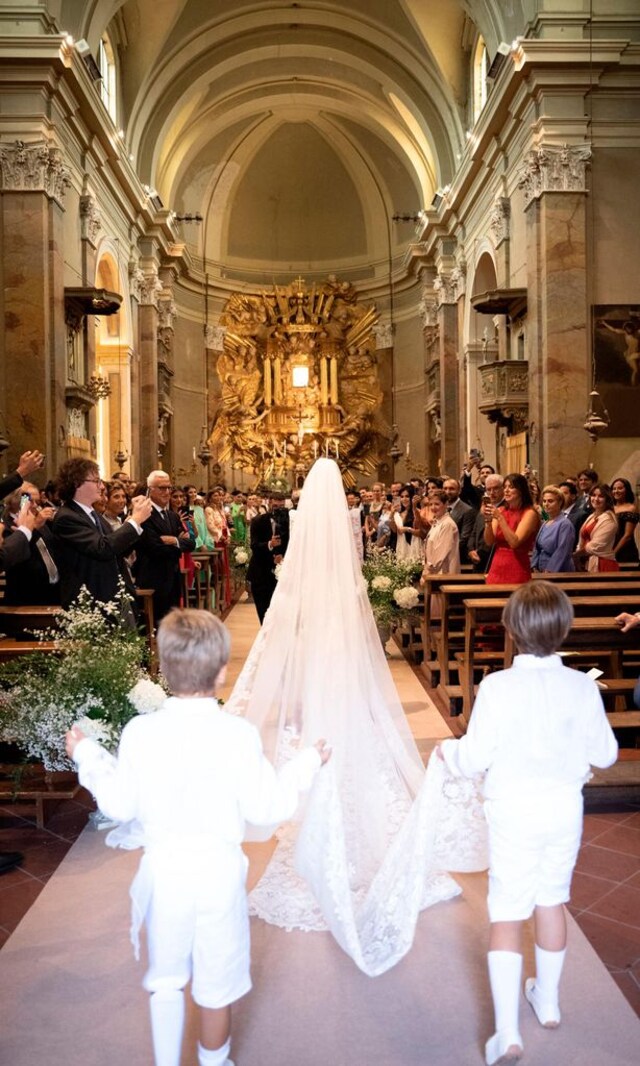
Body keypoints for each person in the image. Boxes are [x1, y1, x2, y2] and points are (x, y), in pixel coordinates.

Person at [228, 458, 486, 977]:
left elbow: (282, 626)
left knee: (306, 735)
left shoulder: (299, 560)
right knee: (353, 730)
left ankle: (312, 778)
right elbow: (358, 624)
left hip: (311, 658)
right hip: (342, 665)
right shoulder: (346, 557)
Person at [65, 609, 330, 1066]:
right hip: (218, 876)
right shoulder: (237, 734)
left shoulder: (140, 732)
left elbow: (120, 805)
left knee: (165, 980)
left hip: (165, 873)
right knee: (215, 984)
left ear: (163, 669)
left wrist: (87, 754)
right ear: (223, 671)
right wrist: (305, 764)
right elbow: (267, 808)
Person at [437, 582, 617, 1066]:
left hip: (513, 813)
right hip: (562, 812)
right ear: (565, 628)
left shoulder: (497, 686)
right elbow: (606, 754)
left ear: (511, 629)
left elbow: (475, 757)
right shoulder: (582, 686)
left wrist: (448, 752)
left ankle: (507, 1032)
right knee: (551, 899)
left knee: (507, 911)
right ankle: (549, 1001)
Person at [52, 459, 151, 608]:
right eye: (96, 481)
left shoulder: (94, 514)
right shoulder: (67, 517)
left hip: (111, 596)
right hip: (90, 600)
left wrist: (134, 523)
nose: (102, 486)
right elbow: (102, 548)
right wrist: (134, 521)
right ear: (77, 483)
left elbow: (116, 551)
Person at [133, 470, 196, 623]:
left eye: (169, 487)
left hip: (173, 578)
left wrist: (174, 540)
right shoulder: (144, 515)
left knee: (173, 624)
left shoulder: (172, 516)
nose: (167, 492)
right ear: (150, 490)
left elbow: (191, 543)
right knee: (156, 624)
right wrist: (179, 544)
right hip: (153, 578)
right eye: (162, 488)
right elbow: (155, 549)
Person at [483, 473, 540, 584]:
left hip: (517, 565)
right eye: (505, 487)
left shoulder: (530, 513)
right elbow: (489, 541)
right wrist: (488, 521)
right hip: (497, 565)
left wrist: (500, 518)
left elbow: (514, 543)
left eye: (511, 487)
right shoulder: (501, 510)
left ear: (521, 490)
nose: (506, 490)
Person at [246, 492, 289, 623]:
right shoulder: (258, 521)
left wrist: (282, 557)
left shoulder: (290, 521)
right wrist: (270, 544)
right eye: (275, 506)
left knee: (282, 615)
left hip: (283, 574)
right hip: (261, 573)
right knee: (264, 613)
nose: (278, 510)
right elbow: (254, 545)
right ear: (269, 503)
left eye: (281, 507)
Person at [530, 485, 576, 573]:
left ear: (560, 503)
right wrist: (534, 565)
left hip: (558, 571)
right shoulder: (546, 522)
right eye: (544, 501)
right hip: (541, 568)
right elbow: (537, 547)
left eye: (550, 501)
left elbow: (562, 551)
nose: (546, 504)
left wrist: (549, 570)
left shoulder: (565, 524)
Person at [576, 483, 619, 572]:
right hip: (588, 561)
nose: (596, 499)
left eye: (601, 496)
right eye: (593, 495)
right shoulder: (592, 516)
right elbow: (582, 539)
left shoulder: (609, 519)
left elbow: (595, 547)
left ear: (607, 499)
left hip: (603, 564)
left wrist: (574, 555)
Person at [419, 489, 460, 578]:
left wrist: (428, 573)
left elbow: (440, 555)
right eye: (431, 504)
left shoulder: (447, 524)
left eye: (437, 504)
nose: (433, 507)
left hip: (443, 574)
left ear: (446, 504)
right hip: (434, 573)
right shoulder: (437, 522)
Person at [468, 474, 504, 572]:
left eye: (495, 488)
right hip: (478, 562)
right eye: (489, 489)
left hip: (494, 558)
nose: (492, 493)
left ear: (503, 489)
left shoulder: (506, 508)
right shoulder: (484, 507)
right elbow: (474, 533)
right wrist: (471, 550)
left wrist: (479, 553)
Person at [443, 477, 476, 563]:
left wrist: (446, 552)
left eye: (451, 489)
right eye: (445, 488)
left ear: (459, 491)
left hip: (457, 557)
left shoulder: (467, 510)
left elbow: (464, 538)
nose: (447, 492)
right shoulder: (441, 508)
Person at [611, 476, 639, 565]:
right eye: (614, 489)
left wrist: (613, 553)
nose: (616, 491)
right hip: (609, 548)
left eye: (620, 488)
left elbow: (627, 535)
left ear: (627, 490)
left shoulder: (631, 508)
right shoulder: (610, 508)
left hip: (625, 551)